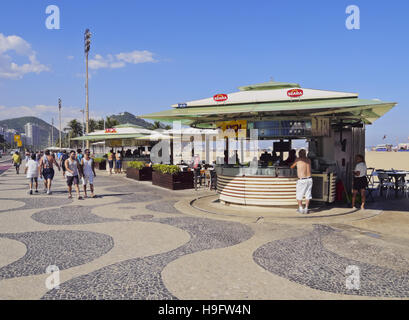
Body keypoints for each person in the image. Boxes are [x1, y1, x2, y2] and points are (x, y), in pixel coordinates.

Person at [290, 149, 313, 214]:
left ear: (299, 154)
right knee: (308, 194)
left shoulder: (298, 160)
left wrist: (293, 165)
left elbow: (292, 167)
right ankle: (306, 208)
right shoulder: (309, 160)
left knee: (299, 194)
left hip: (302, 180)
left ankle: (300, 208)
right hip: (309, 179)